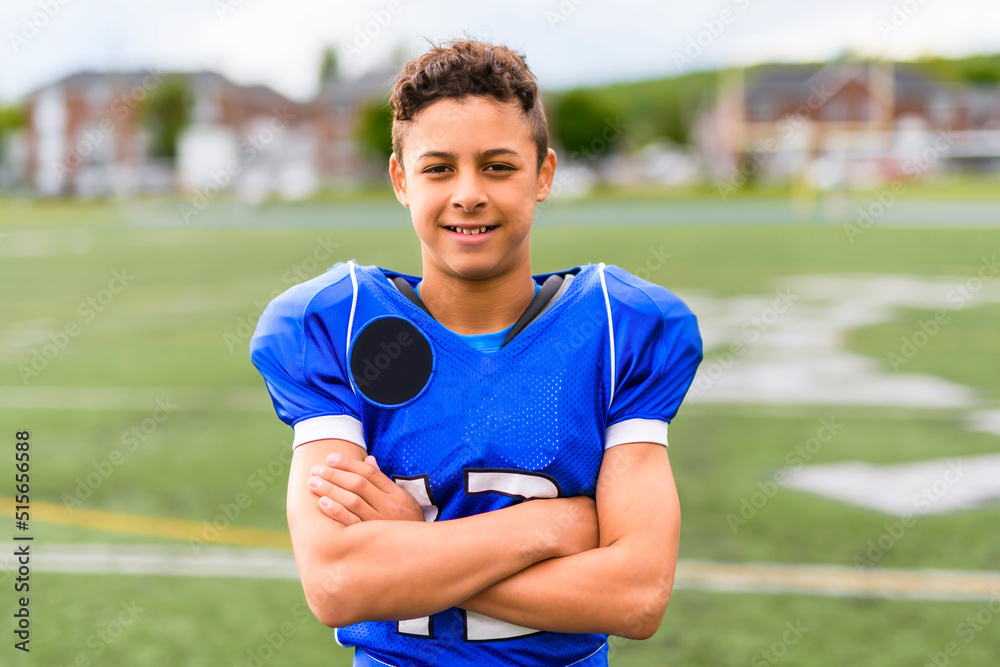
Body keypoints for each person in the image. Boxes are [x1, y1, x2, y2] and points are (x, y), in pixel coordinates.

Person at [250, 38, 703, 667]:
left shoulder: (617, 326)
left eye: (498, 166)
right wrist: (547, 529)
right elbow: (338, 583)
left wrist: (414, 550)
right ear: (401, 178)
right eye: (439, 168)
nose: (468, 193)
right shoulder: (337, 322)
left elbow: (635, 595)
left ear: (543, 174)